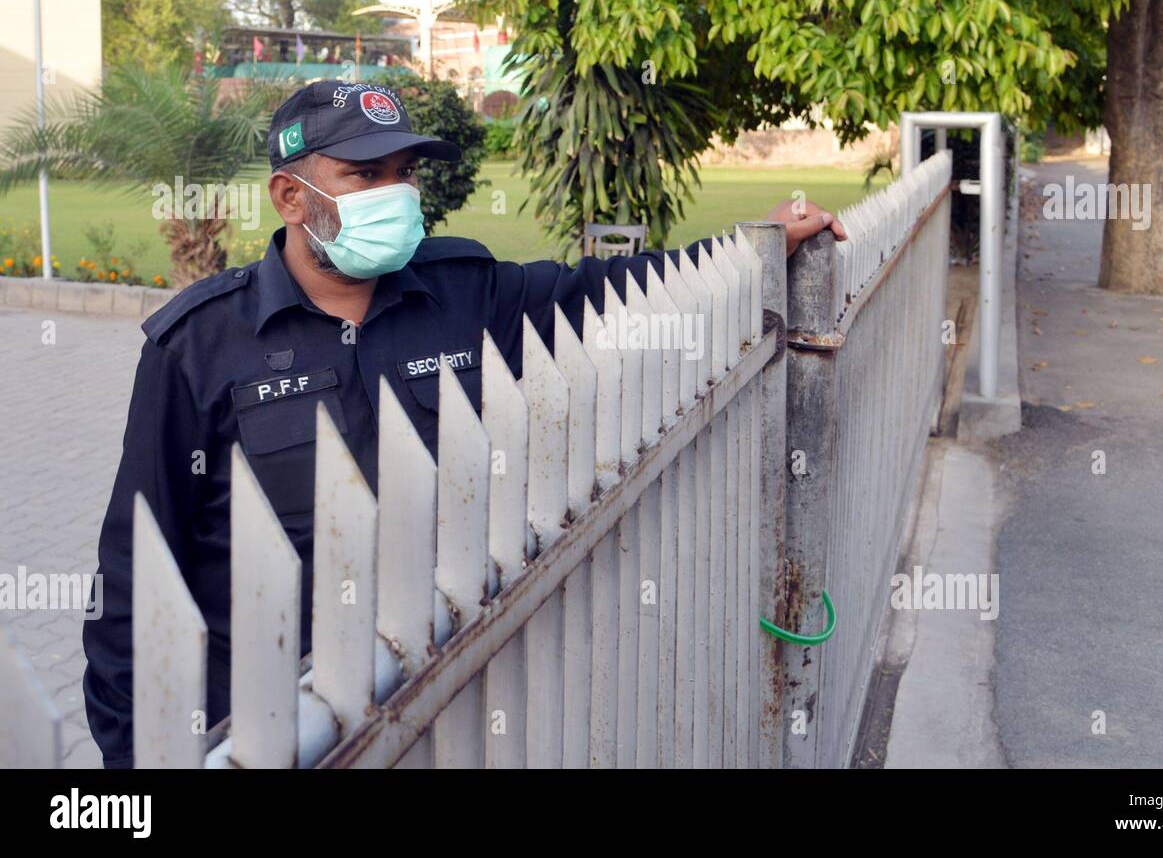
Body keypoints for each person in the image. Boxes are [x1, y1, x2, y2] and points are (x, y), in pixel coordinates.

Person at [81, 79, 845, 768]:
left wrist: (757, 244)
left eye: (405, 171)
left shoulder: (462, 292)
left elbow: (617, 293)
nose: (398, 192)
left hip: (447, 695)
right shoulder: (200, 344)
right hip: (275, 728)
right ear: (289, 196)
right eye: (365, 175)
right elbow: (134, 570)